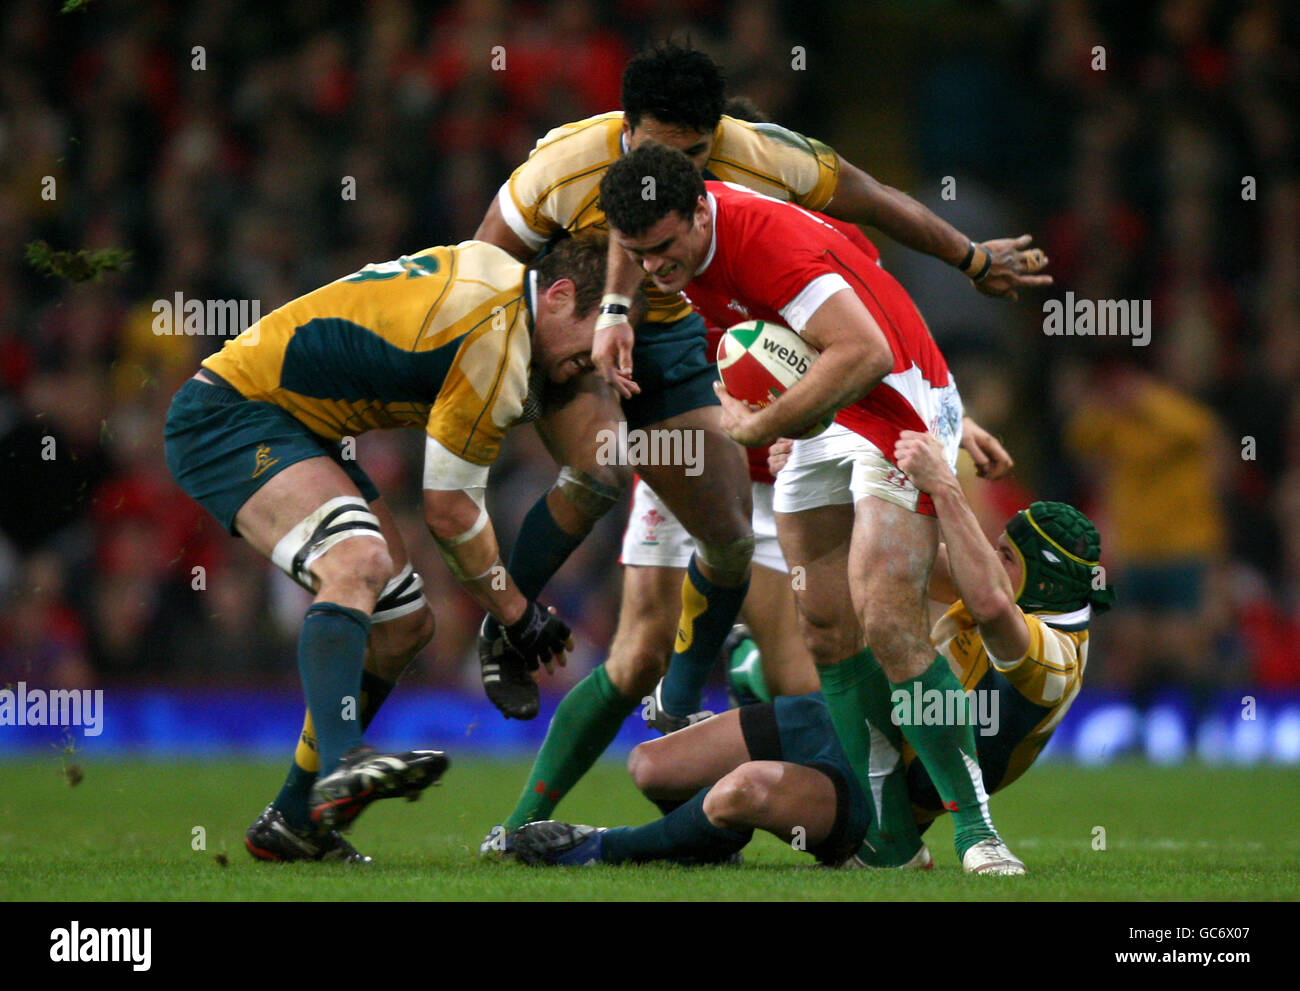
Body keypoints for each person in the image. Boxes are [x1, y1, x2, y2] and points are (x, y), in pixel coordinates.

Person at [474, 44, 1042, 845]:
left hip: (786, 430)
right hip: (680, 411)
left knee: (830, 639)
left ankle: (899, 822)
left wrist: (968, 274)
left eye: (697, 159)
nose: (682, 172)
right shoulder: (575, 178)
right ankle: (532, 778)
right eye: (663, 155)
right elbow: (482, 270)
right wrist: (586, 327)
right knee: (634, 626)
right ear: (625, 134)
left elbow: (872, 239)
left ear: (709, 183)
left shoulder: (766, 177)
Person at [598, 143, 1053, 871]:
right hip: (832, 405)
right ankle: (891, 839)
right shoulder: (678, 242)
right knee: (826, 626)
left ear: (698, 210)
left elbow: (867, 349)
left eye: (662, 248)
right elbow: (855, 262)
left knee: (886, 610)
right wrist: (618, 308)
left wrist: (766, 424)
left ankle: (978, 829)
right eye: (638, 254)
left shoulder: (763, 243)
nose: (654, 266)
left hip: (895, 400)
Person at [164, 235, 608, 862]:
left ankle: (294, 821)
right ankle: (343, 758)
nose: (596, 359)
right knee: (357, 563)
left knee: (404, 627)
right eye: (597, 334)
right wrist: (515, 614)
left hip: (302, 427)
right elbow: (450, 512)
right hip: (234, 415)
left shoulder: (499, 274)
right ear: (560, 296)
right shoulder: (498, 339)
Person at [512, 433, 1113, 873]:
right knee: (649, 765)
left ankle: (599, 847)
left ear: (1044, 580)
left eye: (1006, 553)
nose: (989, 554)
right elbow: (895, 552)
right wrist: (811, 472)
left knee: (740, 792)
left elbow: (989, 605)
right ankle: (707, 842)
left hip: (882, 790)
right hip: (843, 718)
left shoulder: (1053, 658)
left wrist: (945, 486)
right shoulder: (1010, 588)